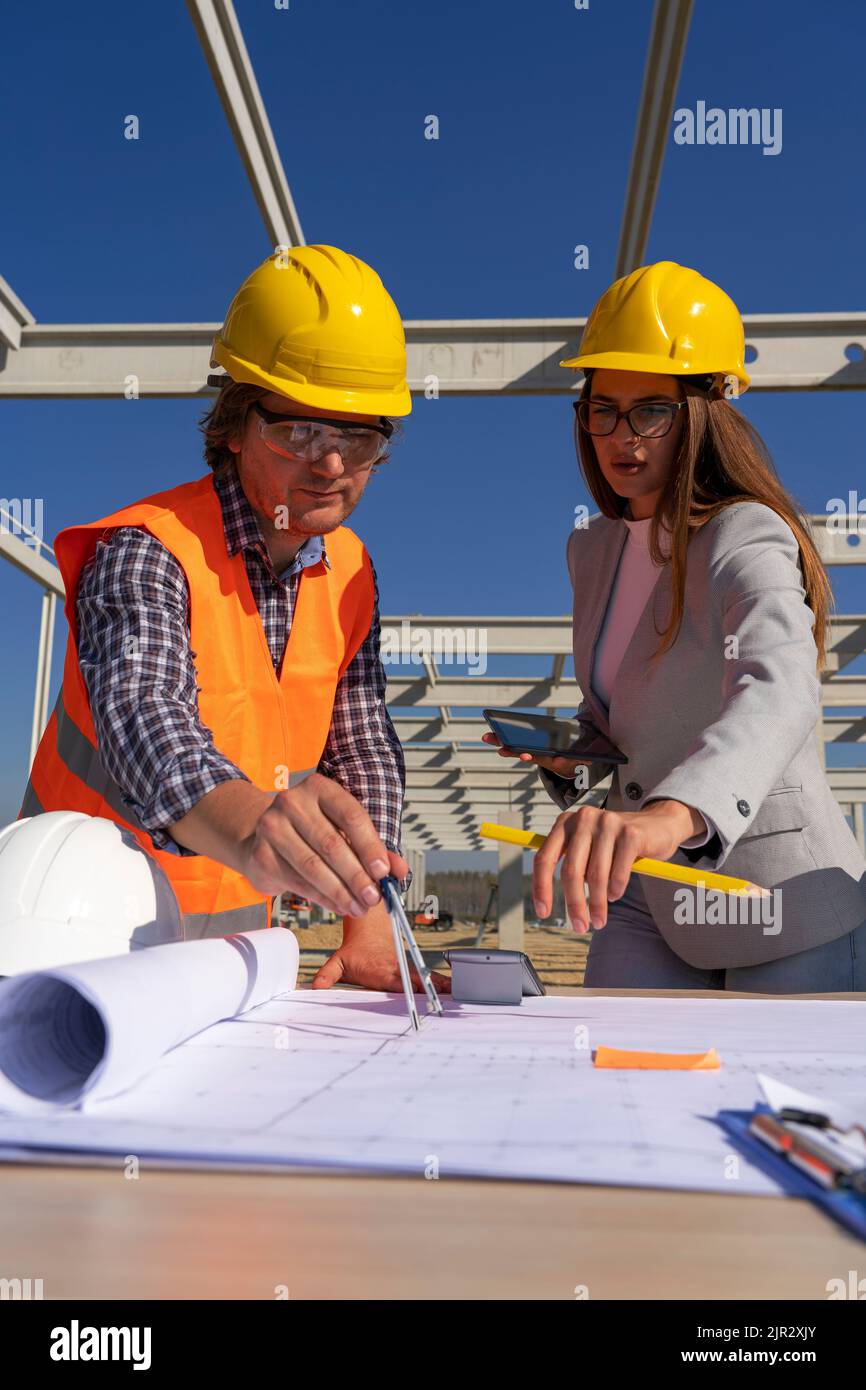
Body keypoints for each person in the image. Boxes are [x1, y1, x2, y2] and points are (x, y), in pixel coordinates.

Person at [21, 244, 447, 994]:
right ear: (232, 425)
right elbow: (146, 718)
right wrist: (258, 826)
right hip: (70, 935)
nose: (330, 465)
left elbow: (362, 743)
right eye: (299, 432)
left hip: (228, 960)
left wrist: (369, 914)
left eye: (358, 439)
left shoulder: (351, 572)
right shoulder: (148, 550)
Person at [485, 260, 866, 990]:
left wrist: (669, 816)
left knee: (775, 1103)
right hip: (650, 897)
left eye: (651, 409)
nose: (621, 435)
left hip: (782, 898)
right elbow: (621, 720)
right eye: (603, 409)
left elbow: (778, 688)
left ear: (703, 410)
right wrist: (576, 757)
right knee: (621, 1088)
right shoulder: (591, 551)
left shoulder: (745, 533)